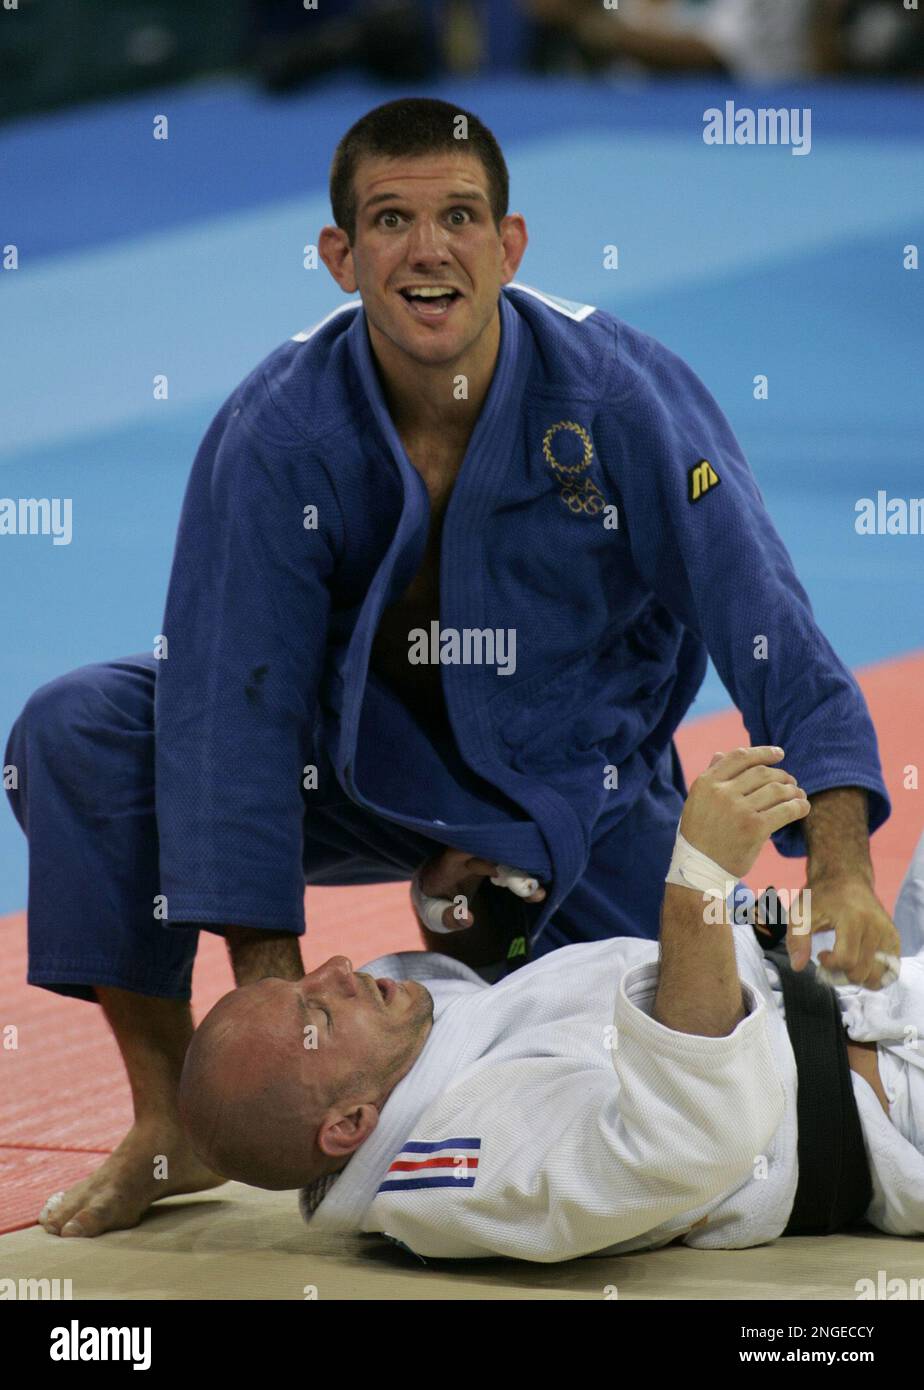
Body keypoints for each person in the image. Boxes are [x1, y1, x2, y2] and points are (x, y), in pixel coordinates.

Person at [8, 96, 898, 1240]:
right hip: (352, 761)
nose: (428, 251)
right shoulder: (278, 433)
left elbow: (765, 621)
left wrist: (841, 862)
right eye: (390, 221)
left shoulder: (618, 397)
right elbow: (230, 715)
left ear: (510, 244)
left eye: (459, 218)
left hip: (569, 784)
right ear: (340, 257)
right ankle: (171, 1118)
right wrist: (279, 1037)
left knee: (724, 1039)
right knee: (78, 729)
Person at [171, 748, 924, 1262]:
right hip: (892, 1099)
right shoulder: (470, 1175)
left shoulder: (392, 1085)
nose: (333, 970)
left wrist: (451, 905)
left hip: (866, 990)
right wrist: (699, 876)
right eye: (319, 1016)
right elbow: (694, 1138)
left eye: (301, 982)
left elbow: (479, 1017)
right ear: (348, 1126)